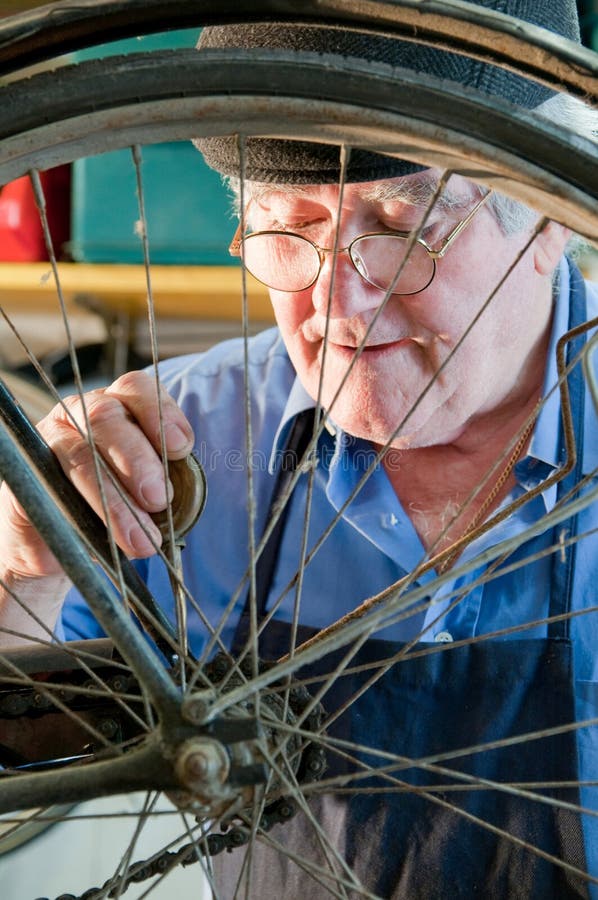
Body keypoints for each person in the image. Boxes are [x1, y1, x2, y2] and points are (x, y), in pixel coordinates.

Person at [0, 2, 597, 897]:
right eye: (288, 230)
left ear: (550, 219)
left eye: (397, 229)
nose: (339, 307)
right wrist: (26, 568)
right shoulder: (190, 445)